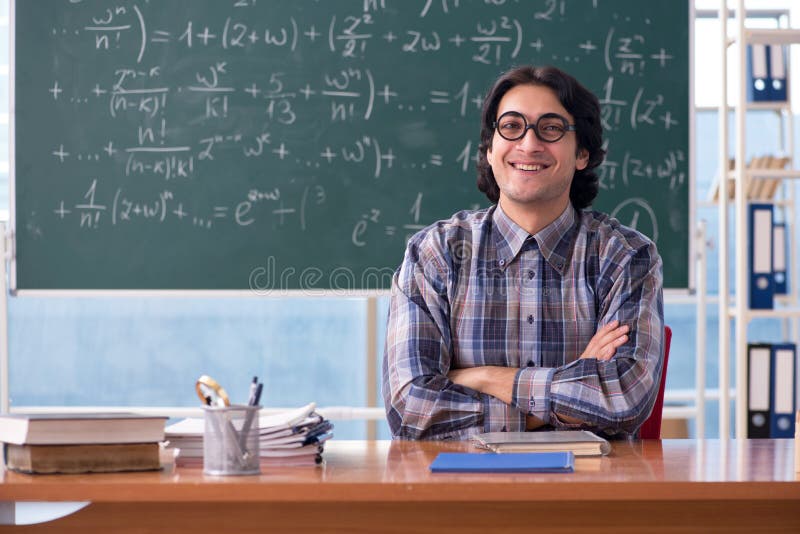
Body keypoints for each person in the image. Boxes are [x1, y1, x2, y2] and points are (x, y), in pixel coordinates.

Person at [382, 65, 664, 440]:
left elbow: (623, 399)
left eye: (550, 129)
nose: (529, 145)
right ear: (490, 147)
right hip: (458, 490)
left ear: (582, 153)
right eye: (512, 127)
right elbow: (411, 408)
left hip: (589, 491)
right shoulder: (434, 254)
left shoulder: (626, 257)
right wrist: (570, 389)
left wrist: (483, 377)